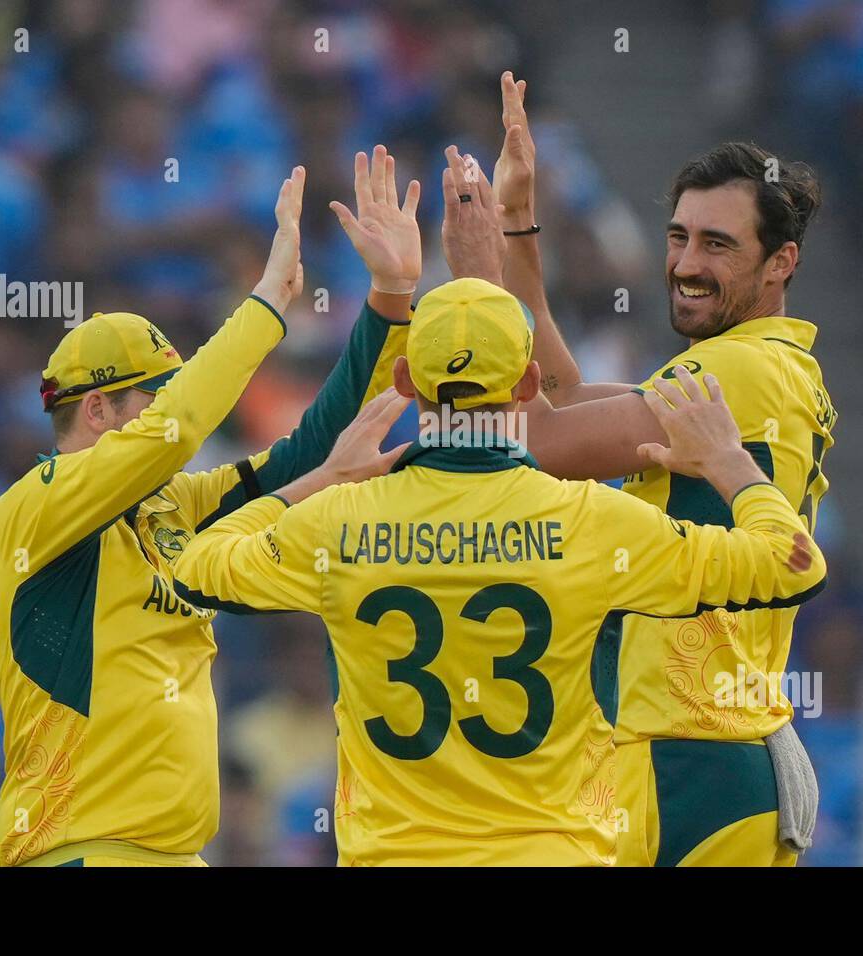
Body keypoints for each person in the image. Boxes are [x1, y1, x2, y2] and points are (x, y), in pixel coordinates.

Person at [171, 272, 827, 866]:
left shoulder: (339, 520)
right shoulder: (592, 521)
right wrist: (732, 463)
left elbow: (196, 565)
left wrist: (319, 479)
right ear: (529, 385)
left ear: (404, 383)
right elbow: (791, 565)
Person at [0, 147, 423, 866]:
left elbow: (303, 455)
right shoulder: (33, 510)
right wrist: (269, 303)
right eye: (155, 393)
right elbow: (181, 427)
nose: (178, 407)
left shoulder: (167, 508)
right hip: (81, 850)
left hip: (179, 854)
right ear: (97, 410)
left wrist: (390, 299)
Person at [446, 72, 838, 866]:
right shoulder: (751, 367)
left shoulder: (745, 370)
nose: (687, 263)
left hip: (688, 754)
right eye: (679, 236)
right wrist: (521, 225)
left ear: (781, 263)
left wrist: (473, 280)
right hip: (697, 749)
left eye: (718, 245)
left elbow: (540, 442)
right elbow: (557, 393)